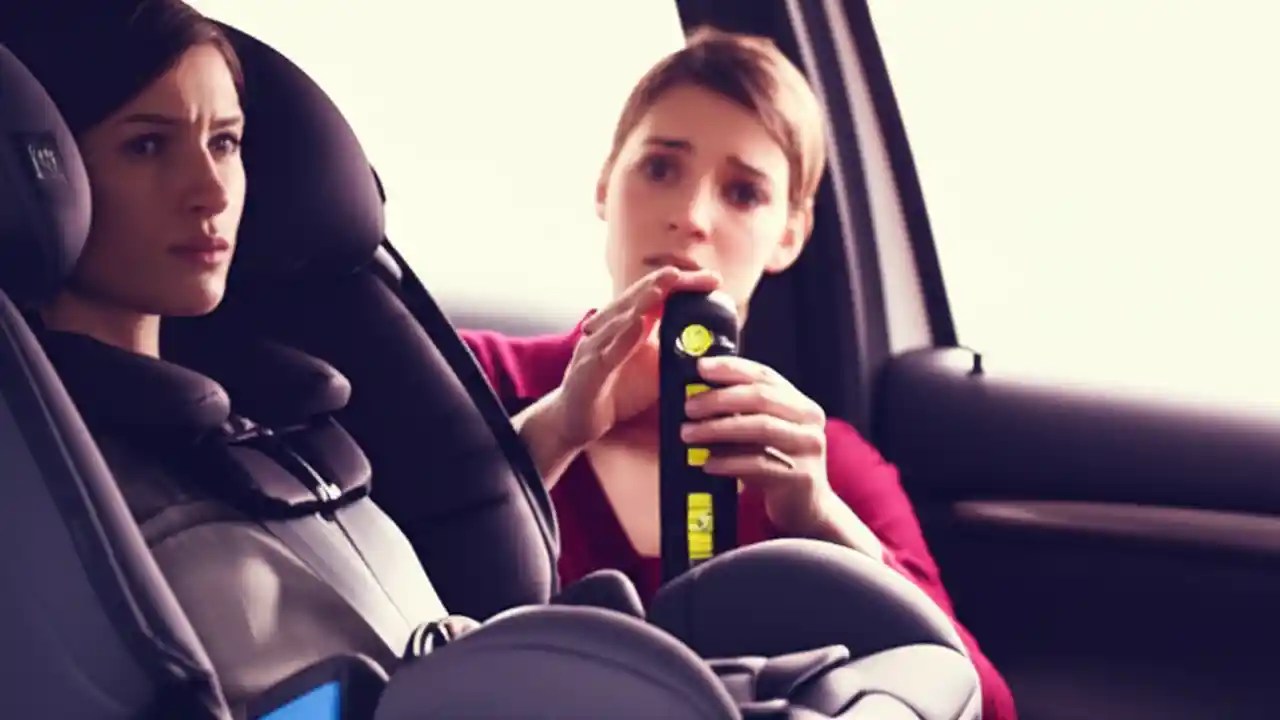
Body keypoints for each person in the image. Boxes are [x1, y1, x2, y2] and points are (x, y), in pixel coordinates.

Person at [459, 27, 1017, 719]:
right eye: (661, 169)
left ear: (789, 234)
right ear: (607, 182)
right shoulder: (470, 376)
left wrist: (820, 522)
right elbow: (355, 597)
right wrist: (550, 432)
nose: (691, 219)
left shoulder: (819, 460)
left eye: (744, 193)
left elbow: (983, 705)